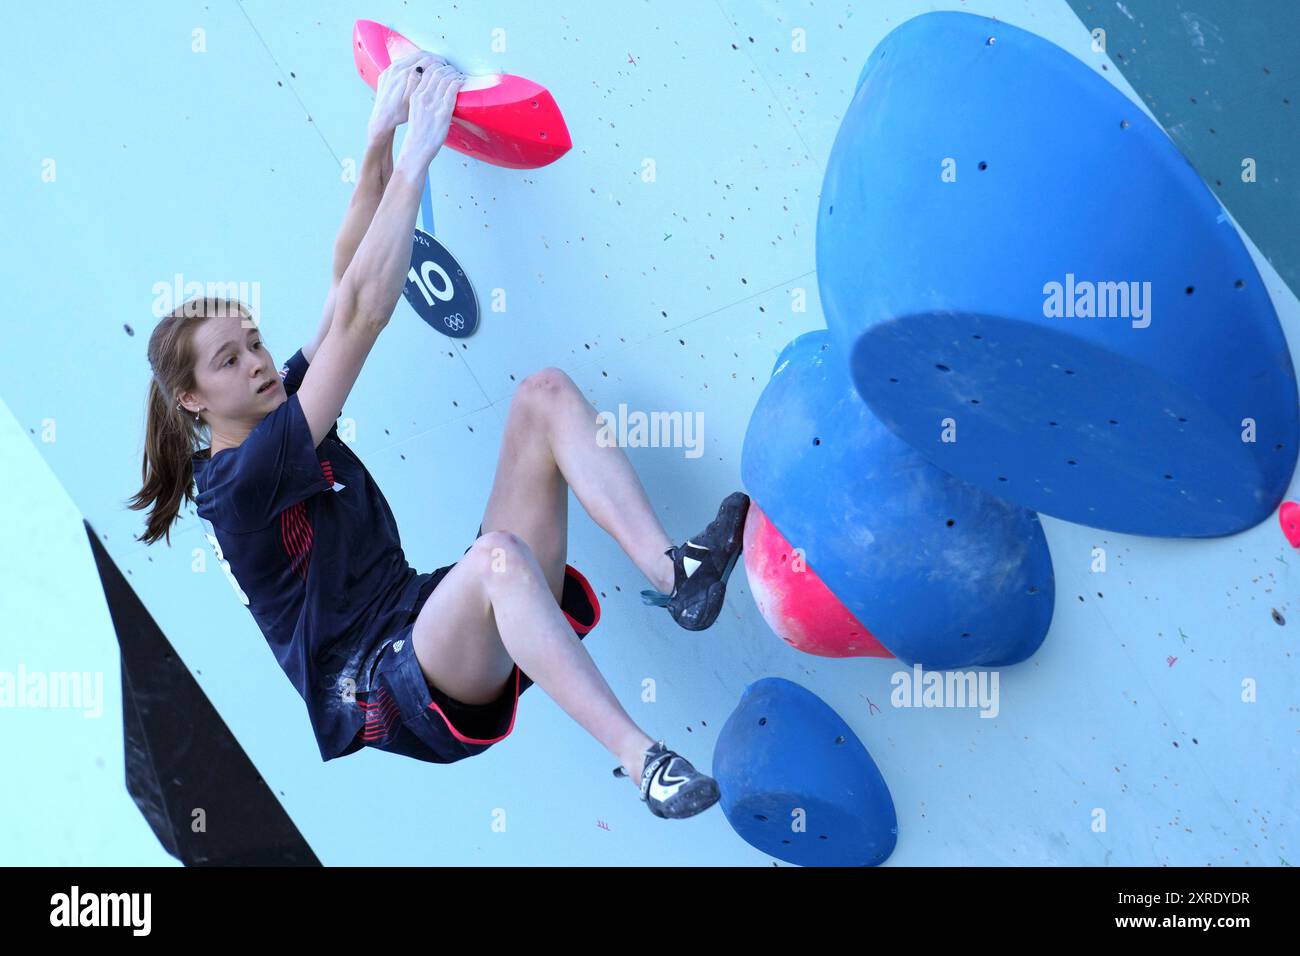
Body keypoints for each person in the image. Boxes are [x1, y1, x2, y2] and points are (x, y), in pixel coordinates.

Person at [126, 54, 750, 820]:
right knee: (496, 562)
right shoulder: (244, 479)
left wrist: (381, 131)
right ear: (193, 400)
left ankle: (677, 575)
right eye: (230, 359)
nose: (257, 361)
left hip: (425, 615)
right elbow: (363, 313)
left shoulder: (277, 410)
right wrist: (424, 147)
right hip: (385, 683)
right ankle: (643, 760)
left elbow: (344, 279)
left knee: (544, 397)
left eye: (253, 340)